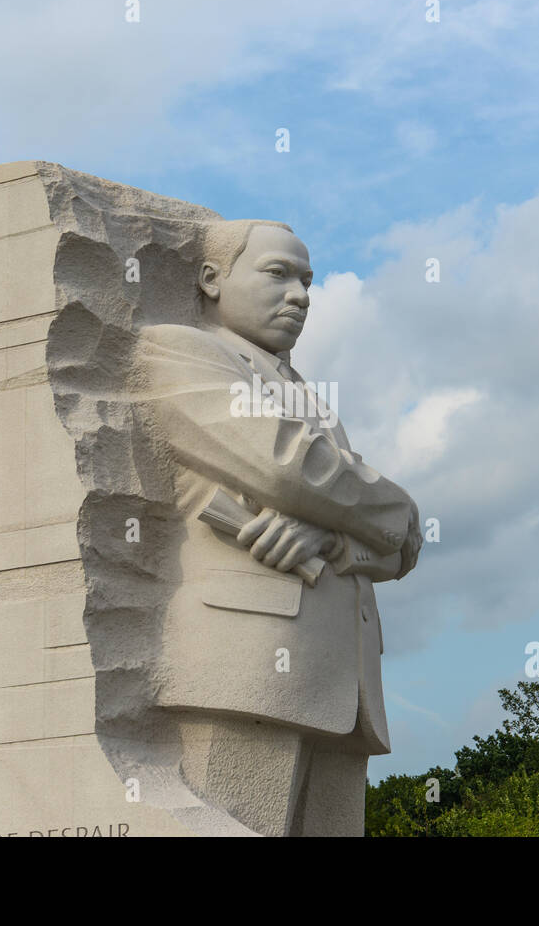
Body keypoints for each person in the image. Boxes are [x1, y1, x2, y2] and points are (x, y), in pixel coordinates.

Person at [131, 219, 422, 836]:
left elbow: (401, 549)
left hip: (345, 688)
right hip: (247, 669)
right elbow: (290, 466)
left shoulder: (309, 396)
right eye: (278, 273)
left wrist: (336, 537)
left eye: (308, 281)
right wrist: (395, 513)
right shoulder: (179, 350)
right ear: (211, 279)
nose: (301, 295)